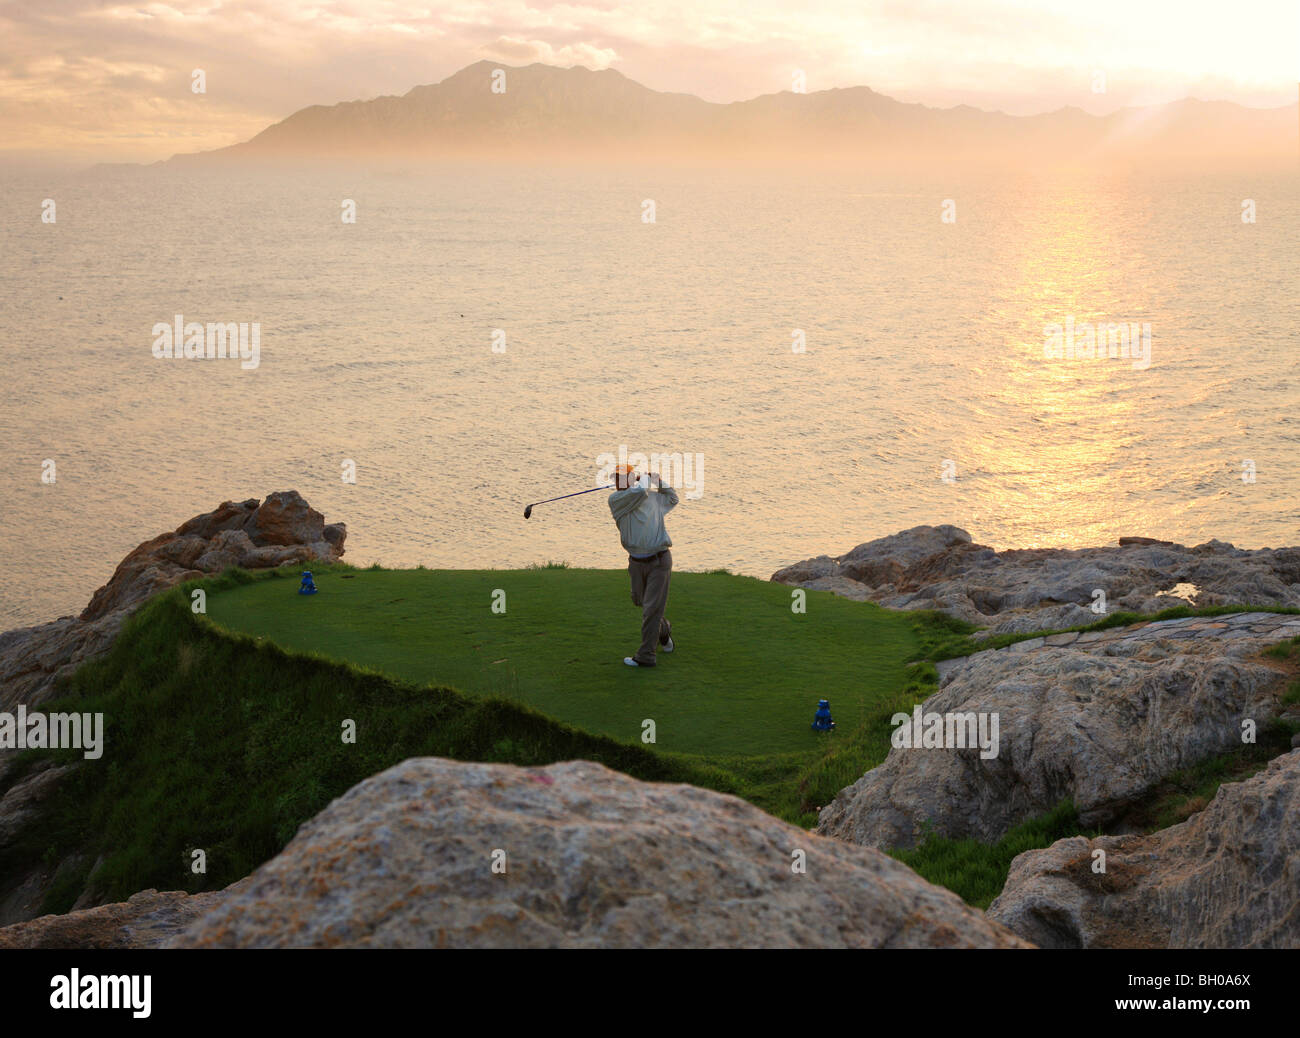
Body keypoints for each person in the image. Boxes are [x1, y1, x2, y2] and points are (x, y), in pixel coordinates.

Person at [608, 463, 678, 667]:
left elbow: (673, 498)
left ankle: (646, 656)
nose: (618, 482)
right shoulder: (616, 500)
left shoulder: (652, 498)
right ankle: (663, 630)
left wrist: (658, 482)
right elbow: (639, 492)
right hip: (636, 563)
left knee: (651, 609)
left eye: (623, 477)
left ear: (632, 478)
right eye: (616, 478)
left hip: (659, 560)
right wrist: (646, 480)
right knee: (641, 602)